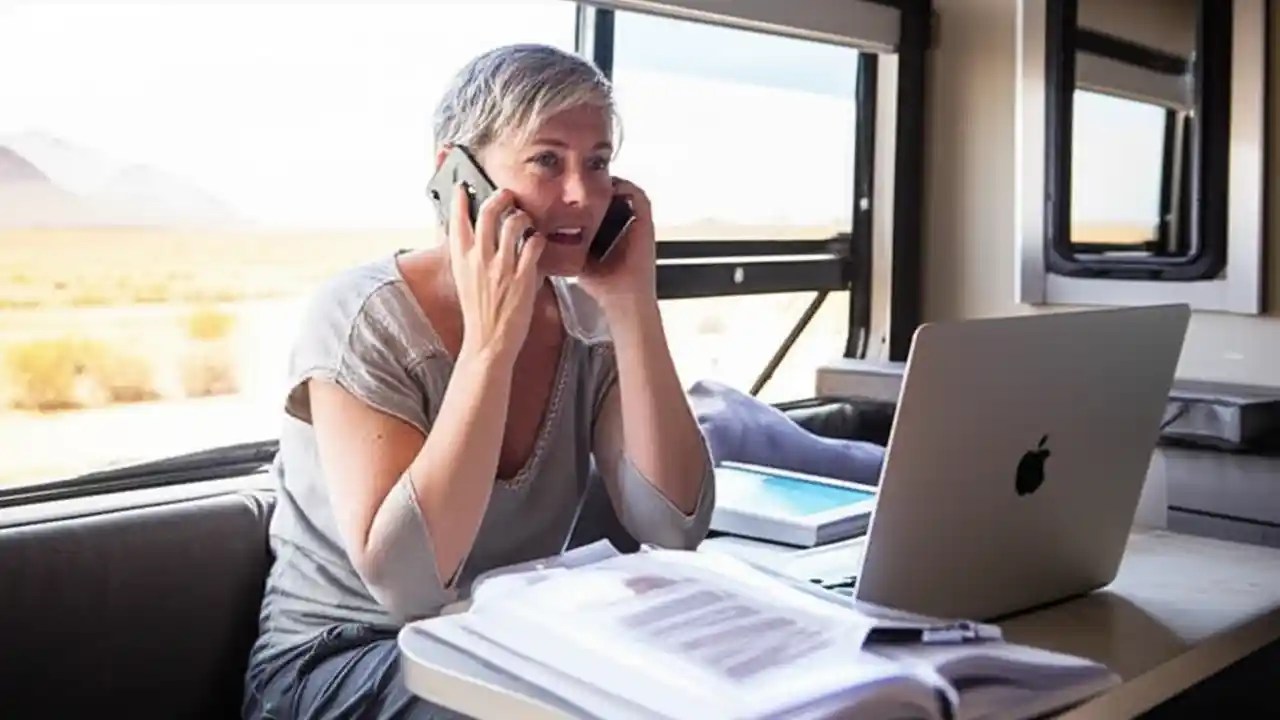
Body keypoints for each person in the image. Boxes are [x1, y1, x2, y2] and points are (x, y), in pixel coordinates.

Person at [241, 43, 716, 719]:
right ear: (459, 176)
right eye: (548, 160)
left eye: (599, 163)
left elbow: (673, 528)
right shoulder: (358, 317)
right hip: (342, 660)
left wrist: (633, 305)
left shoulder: (588, 324)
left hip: (503, 643)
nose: (582, 193)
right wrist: (493, 342)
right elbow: (410, 587)